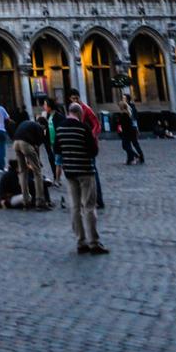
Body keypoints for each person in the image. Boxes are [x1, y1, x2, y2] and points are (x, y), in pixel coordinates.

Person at [59, 102, 108, 254]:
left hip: (70, 172)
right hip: (85, 171)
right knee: (89, 206)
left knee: (74, 207)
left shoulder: (60, 129)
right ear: (79, 114)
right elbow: (93, 151)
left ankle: (81, 241)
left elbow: (57, 150)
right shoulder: (83, 128)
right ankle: (93, 242)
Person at [67, 89, 104, 208]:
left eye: (77, 98)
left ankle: (98, 200)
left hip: (88, 145)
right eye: (73, 99)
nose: (75, 100)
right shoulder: (71, 111)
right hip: (78, 146)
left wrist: (90, 136)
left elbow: (97, 125)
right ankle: (85, 199)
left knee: (92, 172)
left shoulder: (86, 109)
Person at [12, 114, 49, 207]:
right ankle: (40, 200)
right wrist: (38, 161)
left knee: (22, 172)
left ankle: (25, 200)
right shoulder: (40, 128)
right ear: (43, 125)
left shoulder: (28, 123)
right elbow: (36, 147)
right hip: (25, 144)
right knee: (37, 172)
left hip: (16, 143)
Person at [116, 99, 142, 165]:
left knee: (125, 146)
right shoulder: (126, 113)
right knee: (127, 146)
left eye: (119, 106)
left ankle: (136, 156)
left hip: (127, 132)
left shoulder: (125, 114)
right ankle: (130, 159)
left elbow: (126, 123)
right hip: (128, 131)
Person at [125, 94, 145, 163]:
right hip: (127, 128)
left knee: (132, 143)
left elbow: (134, 119)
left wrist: (136, 128)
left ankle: (139, 156)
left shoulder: (131, 107)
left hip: (131, 128)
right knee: (128, 144)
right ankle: (131, 158)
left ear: (127, 99)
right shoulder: (126, 107)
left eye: (124, 98)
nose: (122, 100)